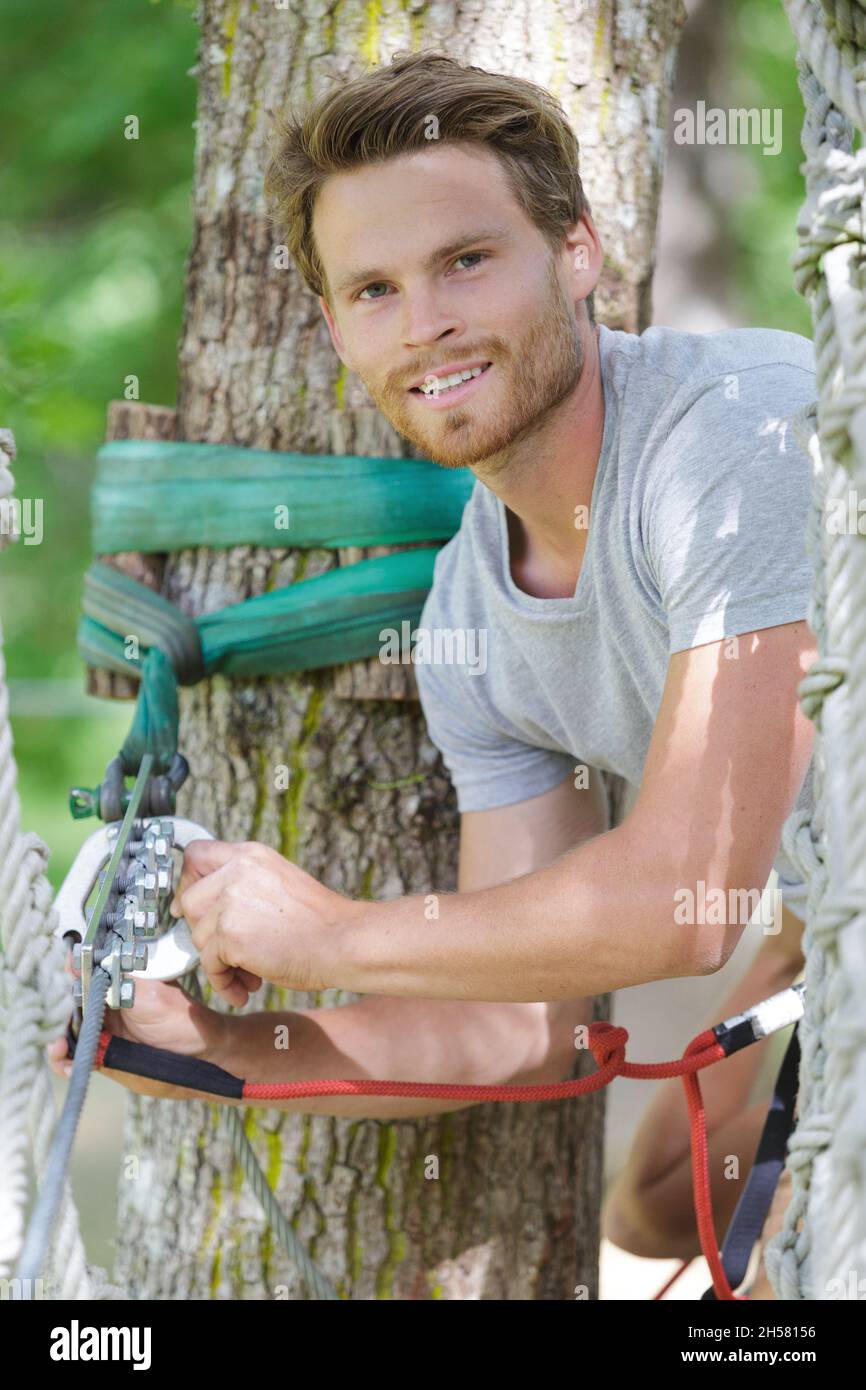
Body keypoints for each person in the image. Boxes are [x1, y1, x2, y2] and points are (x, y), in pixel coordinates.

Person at [50, 54, 818, 1254]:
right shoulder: (468, 610)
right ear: (335, 328)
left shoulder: (736, 435)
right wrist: (228, 1045)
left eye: (465, 259)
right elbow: (522, 1026)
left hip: (826, 917)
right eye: (373, 288)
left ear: (576, 250)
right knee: (670, 1208)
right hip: (834, 912)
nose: (425, 324)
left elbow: (685, 897)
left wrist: (331, 932)